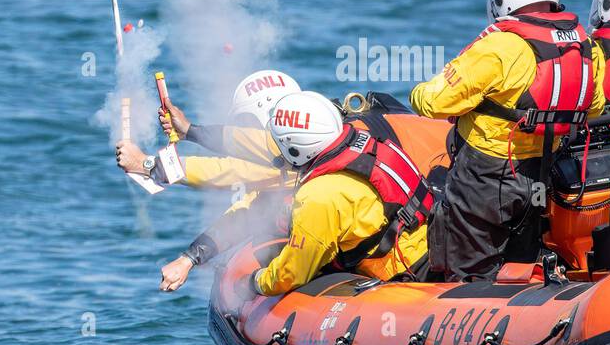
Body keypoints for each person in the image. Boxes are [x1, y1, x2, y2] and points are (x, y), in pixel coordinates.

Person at [410, 0, 606, 280]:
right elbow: (596, 104)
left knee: (467, 269)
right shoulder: (586, 45)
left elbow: (434, 102)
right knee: (521, 263)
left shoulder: (500, 47)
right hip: (543, 173)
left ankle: (466, 317)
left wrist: (418, 91)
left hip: (485, 176)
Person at [115, 70, 300, 292]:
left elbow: (225, 171)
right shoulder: (308, 140)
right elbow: (248, 212)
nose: (244, 132)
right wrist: (189, 259)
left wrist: (148, 165)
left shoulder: (289, 157)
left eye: (246, 125)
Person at [249, 91, 433, 296]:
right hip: (430, 246)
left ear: (294, 148)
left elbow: (291, 274)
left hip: (405, 274)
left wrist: (258, 281)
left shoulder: (318, 196)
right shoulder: (368, 145)